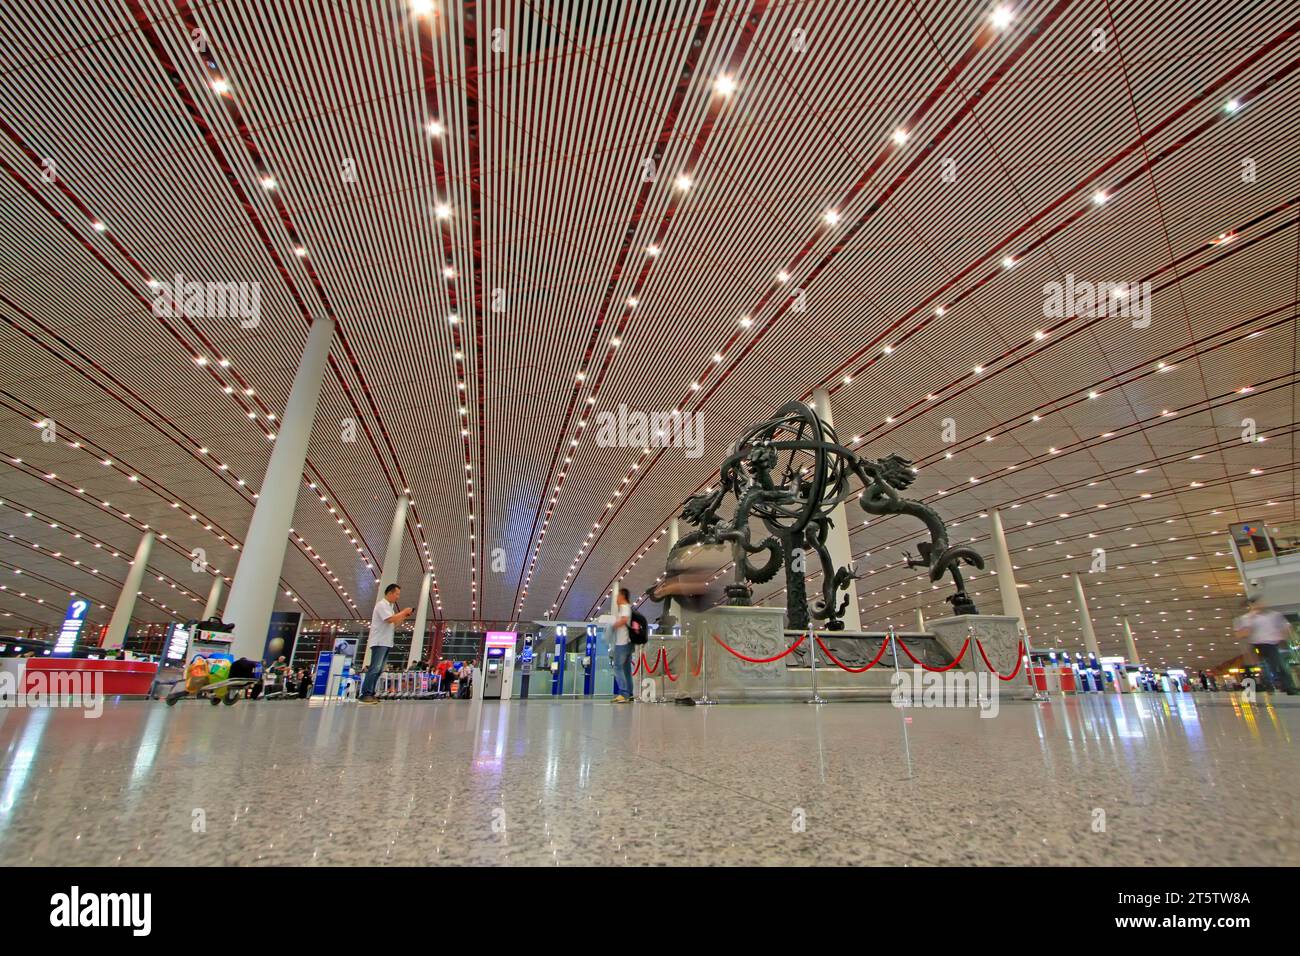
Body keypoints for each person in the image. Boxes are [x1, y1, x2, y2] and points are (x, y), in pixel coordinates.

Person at [360, 584, 413, 704]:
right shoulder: (381, 605)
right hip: (379, 641)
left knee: (379, 669)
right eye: (397, 594)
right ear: (390, 593)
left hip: (386, 642)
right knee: (375, 668)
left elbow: (394, 624)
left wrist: (404, 615)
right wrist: (403, 611)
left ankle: (371, 693)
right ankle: (366, 693)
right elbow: (389, 619)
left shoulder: (389, 607)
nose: (398, 597)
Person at [1234, 599, 1298, 695]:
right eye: (1257, 603)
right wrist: (1250, 621)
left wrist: (1285, 637)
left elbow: (1286, 626)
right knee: (1265, 666)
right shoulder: (1245, 618)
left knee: (1277, 664)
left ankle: (1286, 686)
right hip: (1257, 644)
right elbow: (1240, 634)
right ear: (1251, 605)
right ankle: (1271, 685)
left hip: (1273, 644)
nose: (1261, 605)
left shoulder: (1273, 615)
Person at [610, 587, 633, 703]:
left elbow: (624, 620)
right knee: (626, 670)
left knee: (618, 667)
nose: (616, 599)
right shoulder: (627, 607)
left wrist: (613, 625)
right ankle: (630, 694)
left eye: (617, 596)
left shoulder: (624, 607)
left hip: (622, 643)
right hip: (627, 643)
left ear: (622, 596)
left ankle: (624, 693)